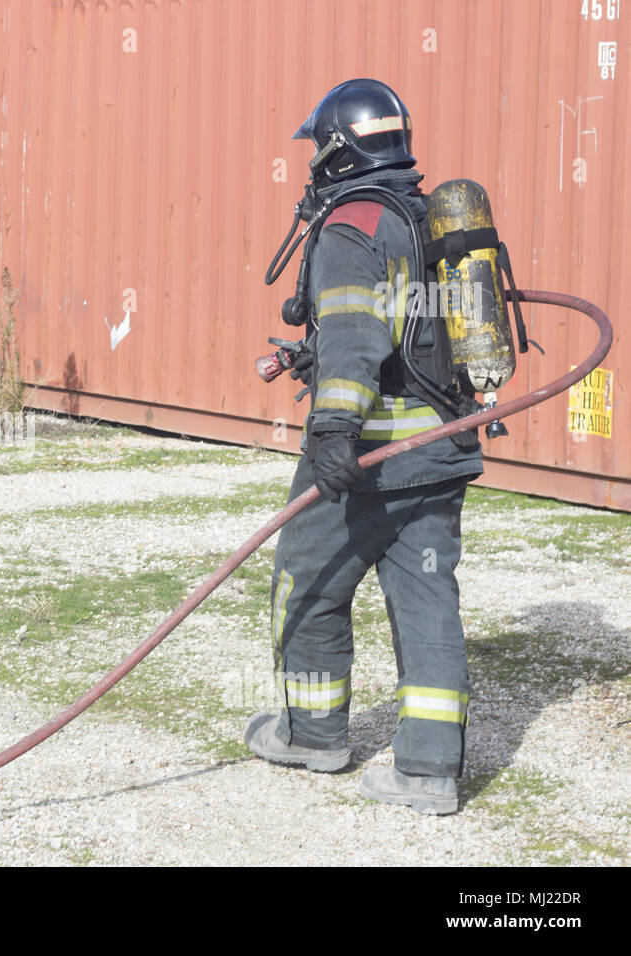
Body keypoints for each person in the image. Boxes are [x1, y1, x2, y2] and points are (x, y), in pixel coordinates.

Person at [244, 78, 483, 815]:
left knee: (305, 580)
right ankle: (428, 770)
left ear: (338, 150)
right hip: (441, 451)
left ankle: (313, 733)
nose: (312, 162)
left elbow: (353, 337)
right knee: (427, 600)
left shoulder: (351, 225)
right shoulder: (421, 217)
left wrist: (333, 432)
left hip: (372, 457)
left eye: (318, 148)